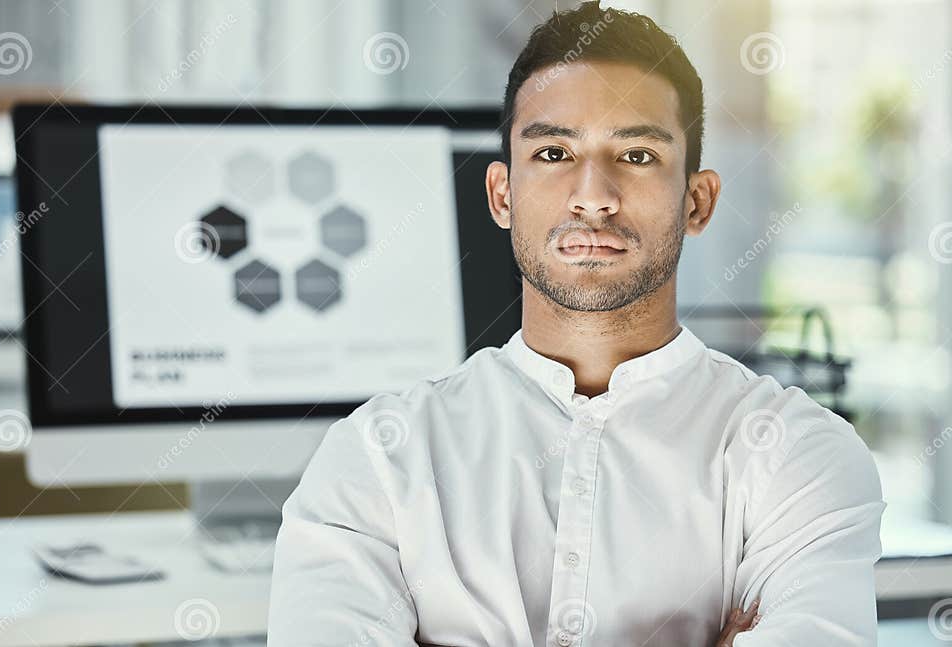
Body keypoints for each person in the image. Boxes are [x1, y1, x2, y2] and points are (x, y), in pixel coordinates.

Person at [268, 2, 886, 645]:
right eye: (556, 151)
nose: (593, 195)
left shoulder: (796, 455)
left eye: (638, 155)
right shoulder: (379, 456)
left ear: (697, 199)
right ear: (502, 195)